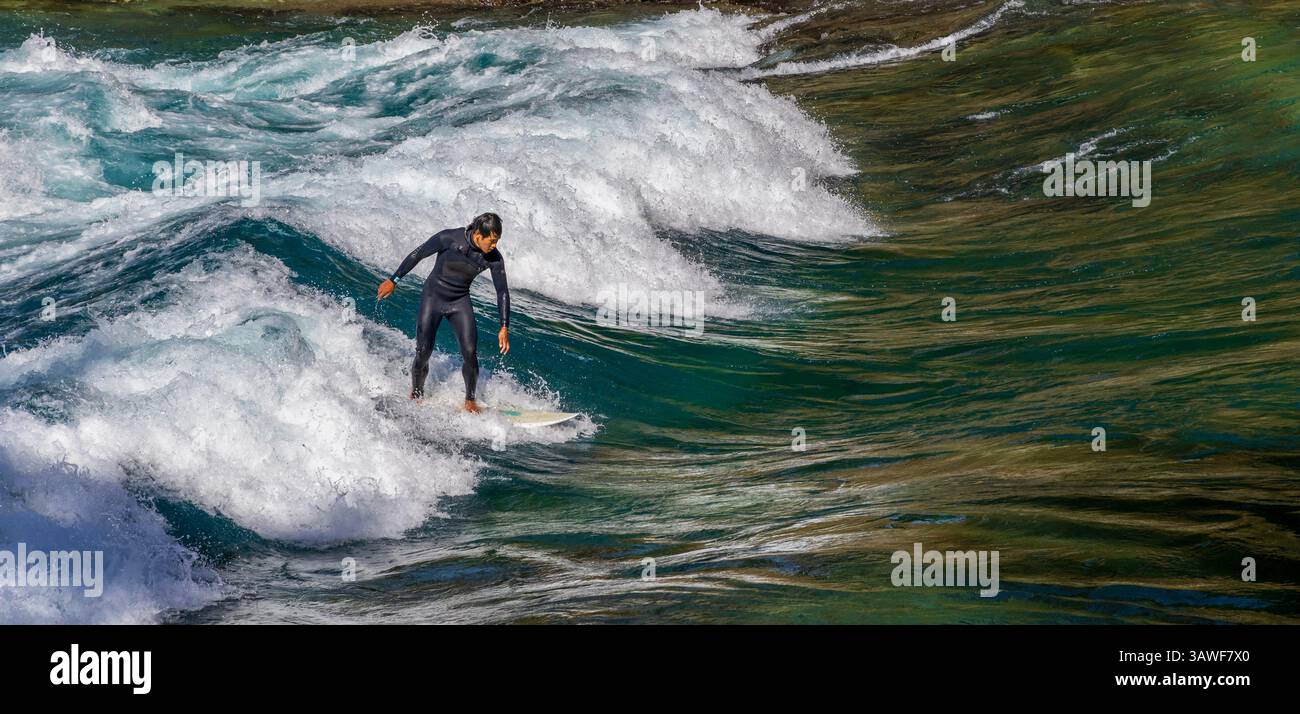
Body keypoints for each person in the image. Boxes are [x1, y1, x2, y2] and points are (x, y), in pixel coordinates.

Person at [376, 212, 509, 413]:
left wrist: (504, 326)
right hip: (433, 297)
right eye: (491, 241)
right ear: (478, 235)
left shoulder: (494, 258)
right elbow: (418, 254)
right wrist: (393, 280)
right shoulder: (449, 238)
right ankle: (417, 393)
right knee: (423, 351)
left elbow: (502, 292)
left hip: (459, 301)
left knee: (470, 352)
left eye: (497, 241)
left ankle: (470, 400)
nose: (494, 246)